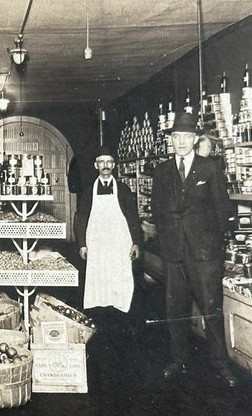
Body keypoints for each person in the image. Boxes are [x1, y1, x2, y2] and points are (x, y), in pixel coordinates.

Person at [150, 112, 238, 386]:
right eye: (176, 137)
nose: (181, 142)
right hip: (174, 254)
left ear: (195, 139)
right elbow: (157, 210)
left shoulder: (209, 168)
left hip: (204, 255)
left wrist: (212, 244)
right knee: (175, 310)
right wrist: (168, 243)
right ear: (171, 140)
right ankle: (179, 361)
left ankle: (221, 365)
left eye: (187, 137)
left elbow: (223, 210)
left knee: (211, 309)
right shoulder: (162, 171)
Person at [73, 146, 143, 334]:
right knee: (99, 280)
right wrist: (82, 244)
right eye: (101, 162)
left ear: (114, 165)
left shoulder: (123, 189)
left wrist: (136, 241)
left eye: (109, 162)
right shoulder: (88, 191)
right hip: (97, 244)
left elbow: (132, 217)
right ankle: (101, 319)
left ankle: (120, 319)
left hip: (119, 243)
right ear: (96, 165)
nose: (105, 166)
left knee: (120, 279)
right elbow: (81, 218)